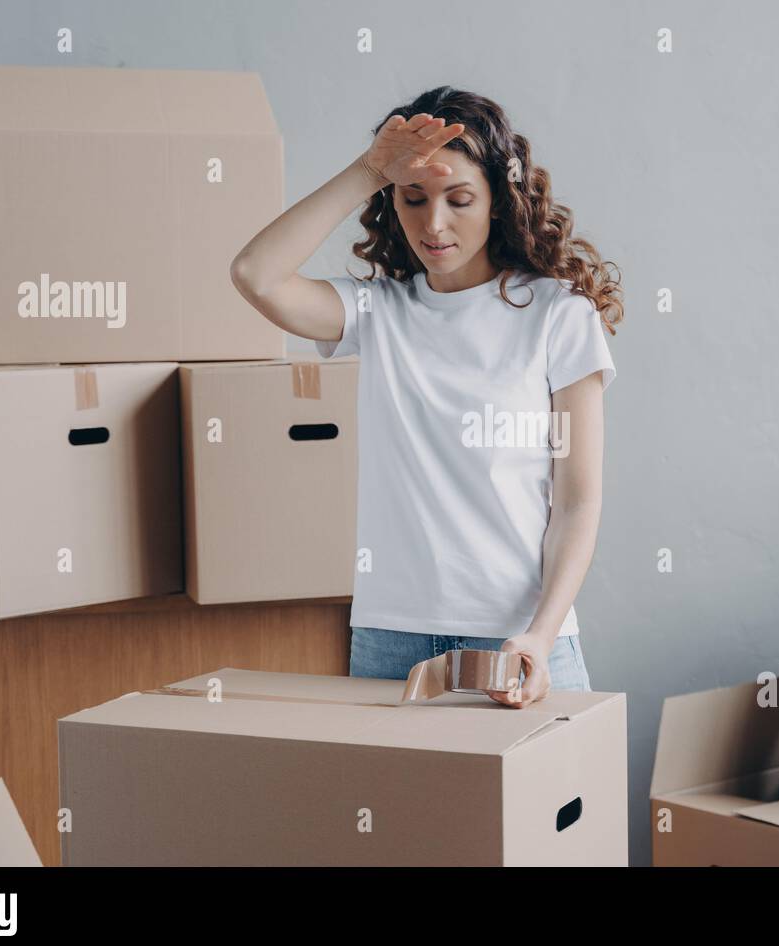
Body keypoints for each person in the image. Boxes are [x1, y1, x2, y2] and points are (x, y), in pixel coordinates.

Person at [230, 87, 621, 708]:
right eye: (413, 198)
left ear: (497, 200)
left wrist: (539, 637)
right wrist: (368, 171)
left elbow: (578, 502)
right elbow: (257, 274)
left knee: (534, 807)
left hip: (515, 637)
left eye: (459, 199)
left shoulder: (558, 316)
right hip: (390, 636)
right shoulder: (377, 311)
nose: (433, 224)